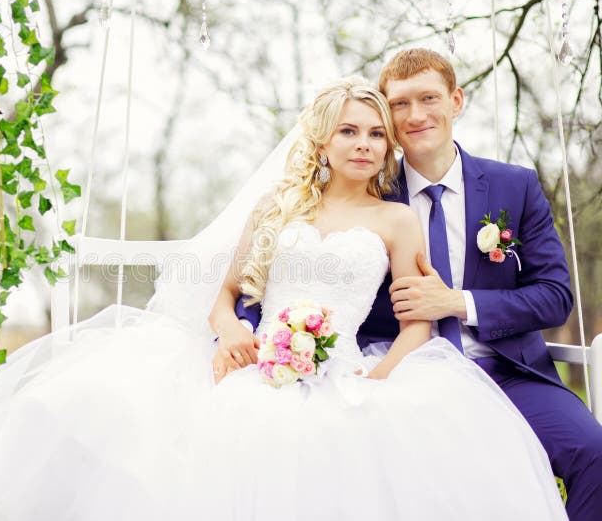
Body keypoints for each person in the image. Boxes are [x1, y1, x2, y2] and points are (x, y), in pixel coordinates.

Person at [0, 77, 567, 520]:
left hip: (348, 370)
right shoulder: (278, 208)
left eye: (377, 134)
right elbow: (225, 296)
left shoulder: (398, 220)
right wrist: (231, 332)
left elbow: (416, 326)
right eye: (348, 131)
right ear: (321, 142)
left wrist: (377, 382)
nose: (365, 144)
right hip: (260, 366)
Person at [234, 49, 602, 520]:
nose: (416, 115)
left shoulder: (515, 186)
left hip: (507, 371)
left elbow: (555, 297)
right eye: (400, 104)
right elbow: (286, 271)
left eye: (429, 98)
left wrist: (457, 302)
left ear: (456, 100)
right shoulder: (367, 191)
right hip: (402, 369)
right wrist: (245, 329)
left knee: (593, 453)